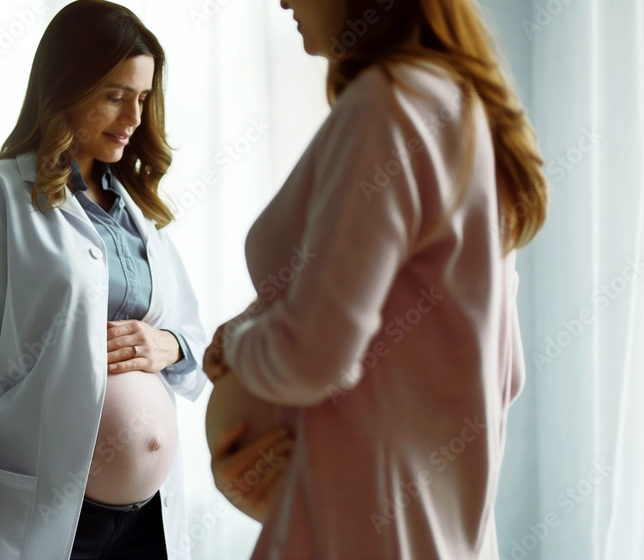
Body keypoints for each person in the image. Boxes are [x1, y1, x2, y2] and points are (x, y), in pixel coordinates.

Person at [203, 0, 547, 557]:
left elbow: (313, 356)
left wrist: (239, 349)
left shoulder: (388, 105)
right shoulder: (461, 108)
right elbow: (505, 372)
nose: (283, 1)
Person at [0, 2, 207, 559]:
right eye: (114, 95)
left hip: (147, 519)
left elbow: (191, 343)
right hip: (54, 514)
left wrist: (169, 345)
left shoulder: (140, 215)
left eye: (143, 98)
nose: (133, 118)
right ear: (66, 87)